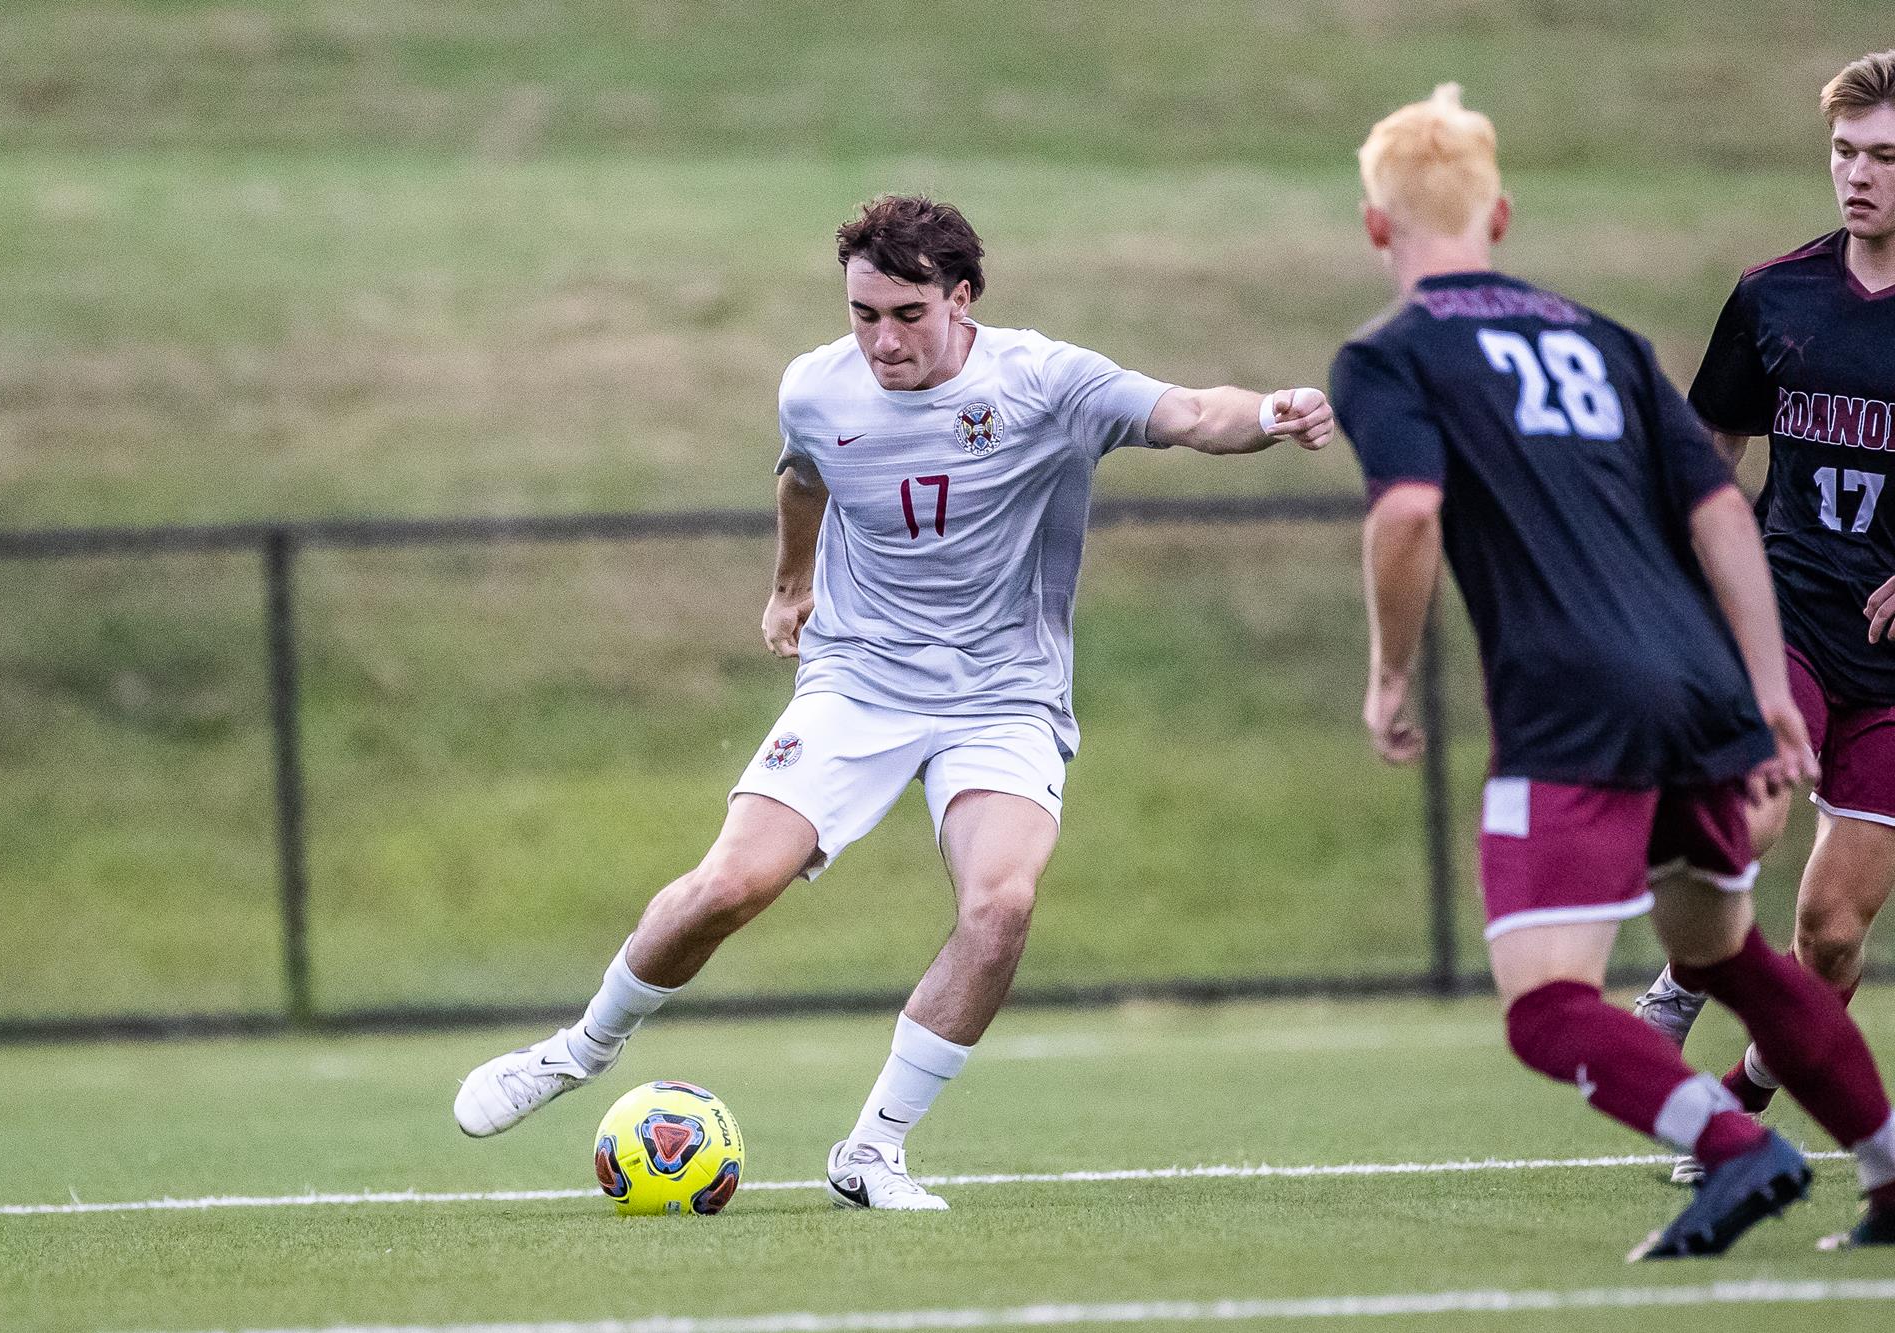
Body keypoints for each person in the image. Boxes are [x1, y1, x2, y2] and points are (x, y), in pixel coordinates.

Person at [453, 194, 1334, 1209]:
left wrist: (1267, 413)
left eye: (906, 314)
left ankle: (871, 1150)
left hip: (1003, 694)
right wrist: (791, 585)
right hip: (859, 677)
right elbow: (802, 482)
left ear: (961, 299)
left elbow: (1185, 412)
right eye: (862, 313)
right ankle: (575, 1051)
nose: (881, 338)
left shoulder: (1043, 382)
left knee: (999, 906)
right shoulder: (814, 389)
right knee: (730, 886)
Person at [1329, 84, 1895, 1256]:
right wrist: (1760, 683)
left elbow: (1405, 516)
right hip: (1700, 679)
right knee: (1725, 951)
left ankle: (1735, 1148)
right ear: (1500, 215)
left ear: (1378, 229)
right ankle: (1888, 1172)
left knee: (1544, 1007)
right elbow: (1725, 519)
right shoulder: (1599, 338)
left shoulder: (1390, 355)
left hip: (1570, 702)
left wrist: (1387, 673)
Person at [1630, 49, 1895, 1185]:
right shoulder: (1775, 294)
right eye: (1842, 153)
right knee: (1746, 812)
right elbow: (1710, 451)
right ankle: (1673, 991)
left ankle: (1741, 1103)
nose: (1857, 176)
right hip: (1783, 609)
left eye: (1882, 157)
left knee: (1830, 935)